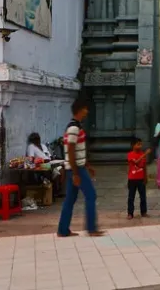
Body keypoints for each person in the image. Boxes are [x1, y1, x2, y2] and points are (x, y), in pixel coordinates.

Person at [57, 97, 105, 238]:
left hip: (75, 167)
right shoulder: (74, 128)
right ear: (80, 110)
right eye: (85, 109)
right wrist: (76, 173)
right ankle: (91, 228)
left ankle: (63, 230)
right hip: (76, 168)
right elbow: (71, 151)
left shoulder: (76, 126)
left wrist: (87, 165)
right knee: (91, 195)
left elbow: (78, 151)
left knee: (70, 199)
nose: (87, 112)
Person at [127, 137, 149, 219]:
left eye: (141, 144)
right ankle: (130, 213)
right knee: (131, 197)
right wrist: (145, 154)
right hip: (132, 179)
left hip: (141, 178)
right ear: (133, 145)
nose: (140, 146)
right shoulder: (130, 154)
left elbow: (144, 167)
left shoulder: (142, 154)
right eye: (138, 144)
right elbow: (136, 162)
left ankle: (143, 212)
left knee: (143, 196)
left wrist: (145, 177)